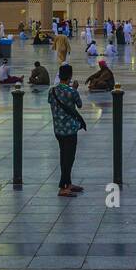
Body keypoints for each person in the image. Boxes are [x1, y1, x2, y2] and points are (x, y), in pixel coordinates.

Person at [47, 64, 86, 197]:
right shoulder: (72, 91)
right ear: (70, 76)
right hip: (69, 130)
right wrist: (74, 89)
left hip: (58, 129)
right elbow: (79, 105)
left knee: (64, 156)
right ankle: (63, 187)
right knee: (69, 158)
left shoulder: (51, 91)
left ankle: (68, 183)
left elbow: (52, 103)